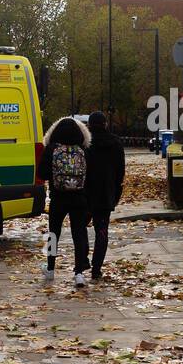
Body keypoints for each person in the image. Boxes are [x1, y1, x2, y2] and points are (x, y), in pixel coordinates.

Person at [38, 115, 92, 287]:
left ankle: (50, 268)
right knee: (79, 234)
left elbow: (42, 173)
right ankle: (79, 273)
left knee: (53, 233)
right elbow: (90, 176)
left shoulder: (52, 148)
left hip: (58, 198)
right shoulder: (83, 150)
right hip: (79, 198)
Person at [83, 110, 125, 281]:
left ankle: (83, 259)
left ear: (89, 125)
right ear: (105, 124)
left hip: (85, 192)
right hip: (105, 192)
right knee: (102, 231)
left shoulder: (84, 143)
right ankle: (96, 268)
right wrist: (115, 193)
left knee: (80, 228)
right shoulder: (115, 143)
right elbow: (120, 171)